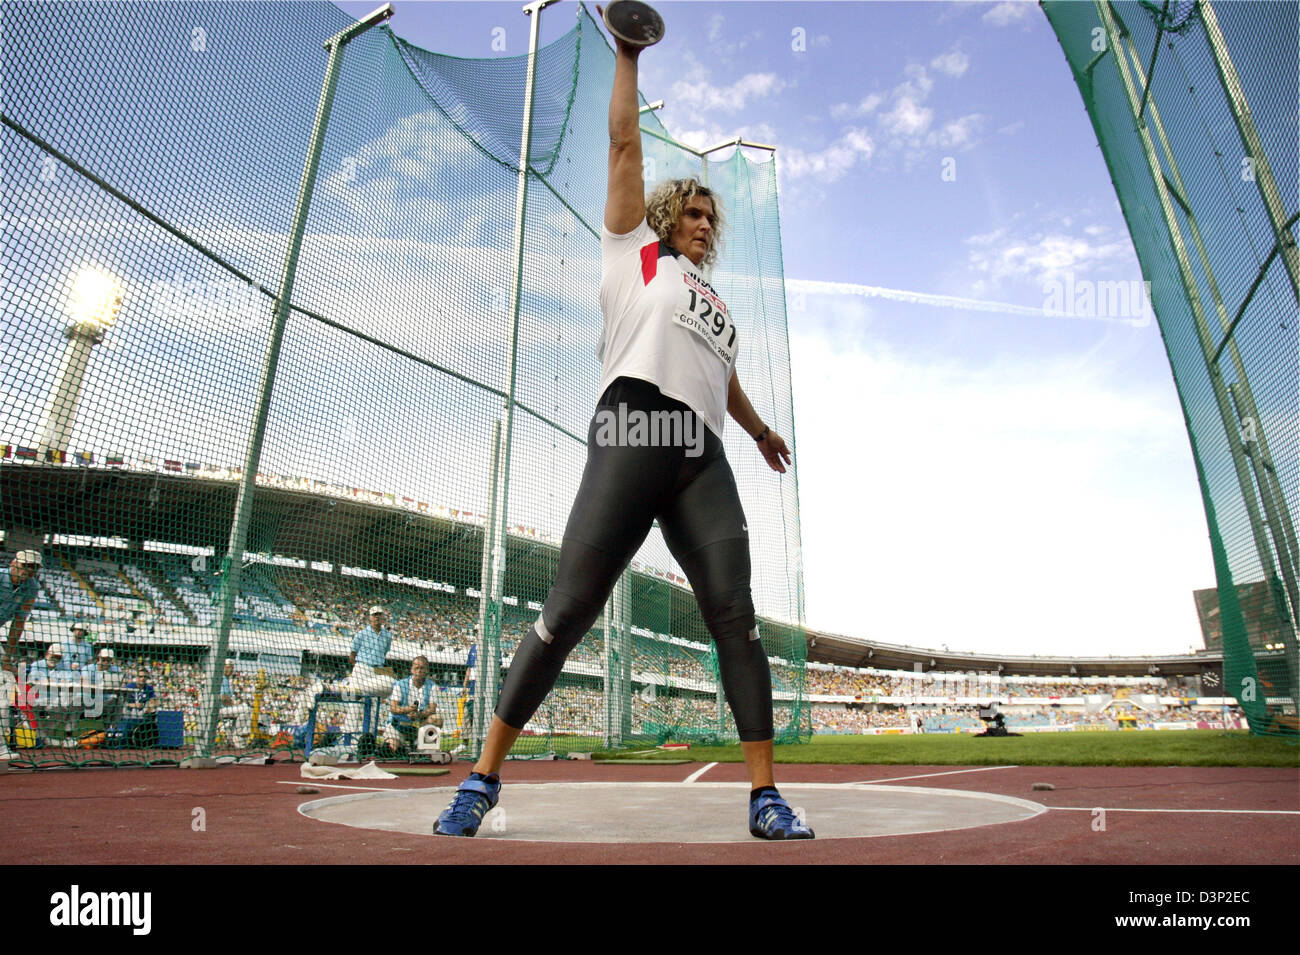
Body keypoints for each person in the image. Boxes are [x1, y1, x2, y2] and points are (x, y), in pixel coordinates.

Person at [435, 4, 810, 840]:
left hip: (700, 453)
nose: (706, 226)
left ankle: (764, 796)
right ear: (669, 213)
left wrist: (755, 429)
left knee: (735, 619)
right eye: (696, 214)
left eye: (713, 221)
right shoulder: (633, 250)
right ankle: (483, 777)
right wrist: (629, 58)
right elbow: (622, 146)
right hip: (635, 426)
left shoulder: (713, 300)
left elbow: (722, 371)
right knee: (568, 610)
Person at [295, 605, 395, 736]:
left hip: (378, 670)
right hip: (362, 667)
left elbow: (384, 652)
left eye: (379, 615)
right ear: (370, 618)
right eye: (374, 615)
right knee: (356, 701)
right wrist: (360, 666)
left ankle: (369, 736)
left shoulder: (387, 636)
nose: (377, 617)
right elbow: (352, 655)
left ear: (383, 617)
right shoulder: (362, 634)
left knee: (374, 702)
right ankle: (348, 734)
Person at [382, 655, 441, 753]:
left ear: (427, 670)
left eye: (422, 668)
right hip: (399, 724)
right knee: (390, 748)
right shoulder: (400, 684)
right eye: (416, 668)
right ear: (411, 670)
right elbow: (393, 708)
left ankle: (419, 744)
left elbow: (432, 709)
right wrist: (408, 710)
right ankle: (399, 746)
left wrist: (419, 714)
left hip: (419, 725)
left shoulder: (432, 686)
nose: (419, 671)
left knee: (437, 719)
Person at [2, 550, 43, 660]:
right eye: (26, 565)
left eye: (34, 567)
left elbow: (19, 622)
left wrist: (8, 655)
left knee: (7, 669)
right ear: (13, 563)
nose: (30, 570)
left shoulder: (32, 586)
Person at [218, 659, 252, 749]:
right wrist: (233, 705)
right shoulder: (222, 678)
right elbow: (223, 698)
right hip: (219, 709)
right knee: (247, 710)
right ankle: (238, 738)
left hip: (222, 709)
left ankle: (230, 739)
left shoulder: (227, 680)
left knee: (242, 711)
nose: (231, 670)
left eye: (232, 667)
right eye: (228, 667)